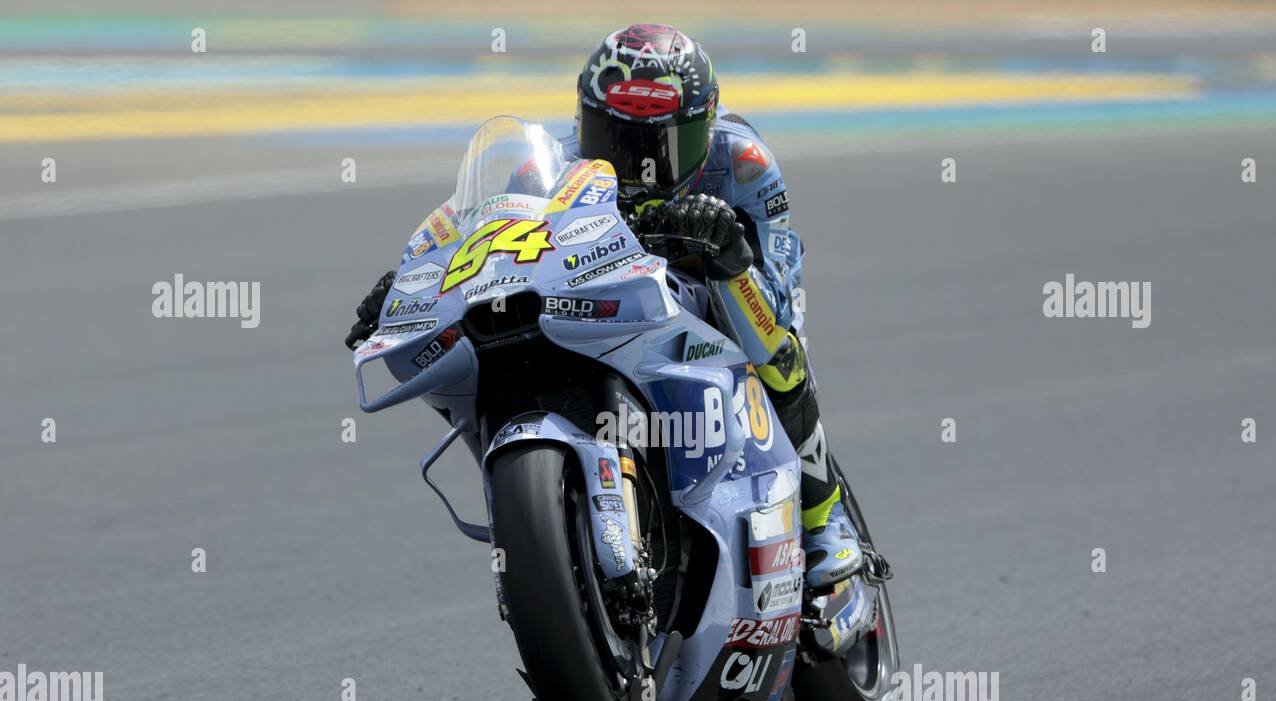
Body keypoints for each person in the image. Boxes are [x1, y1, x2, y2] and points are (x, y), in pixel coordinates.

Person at [351, 23, 881, 592]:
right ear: (584, 121)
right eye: (614, 138)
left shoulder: (744, 163)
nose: (637, 164)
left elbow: (781, 296)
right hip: (618, 296)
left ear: (701, 129)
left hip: (713, 286)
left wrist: (727, 251)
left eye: (660, 146)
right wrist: (413, 284)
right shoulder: (553, 165)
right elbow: (478, 234)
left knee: (778, 346)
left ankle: (825, 523)